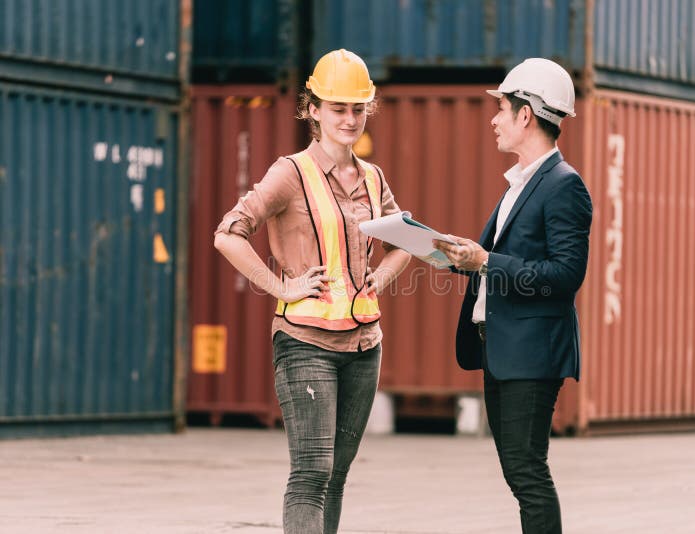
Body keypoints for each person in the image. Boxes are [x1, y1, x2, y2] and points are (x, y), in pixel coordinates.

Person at [214, 49, 411, 534]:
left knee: (337, 477)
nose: (349, 118)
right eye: (338, 108)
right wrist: (280, 285)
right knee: (311, 474)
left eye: (357, 108)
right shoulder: (290, 172)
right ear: (314, 109)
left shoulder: (372, 176)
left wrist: (381, 277)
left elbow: (407, 240)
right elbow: (228, 234)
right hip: (305, 344)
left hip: (365, 346)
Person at [433, 58, 592, 534]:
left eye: (501, 108)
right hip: (503, 349)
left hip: (531, 354)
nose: (494, 118)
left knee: (526, 470)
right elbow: (508, 263)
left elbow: (566, 275)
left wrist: (487, 262)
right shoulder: (521, 185)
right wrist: (464, 259)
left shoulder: (564, 186)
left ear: (526, 115)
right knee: (519, 471)